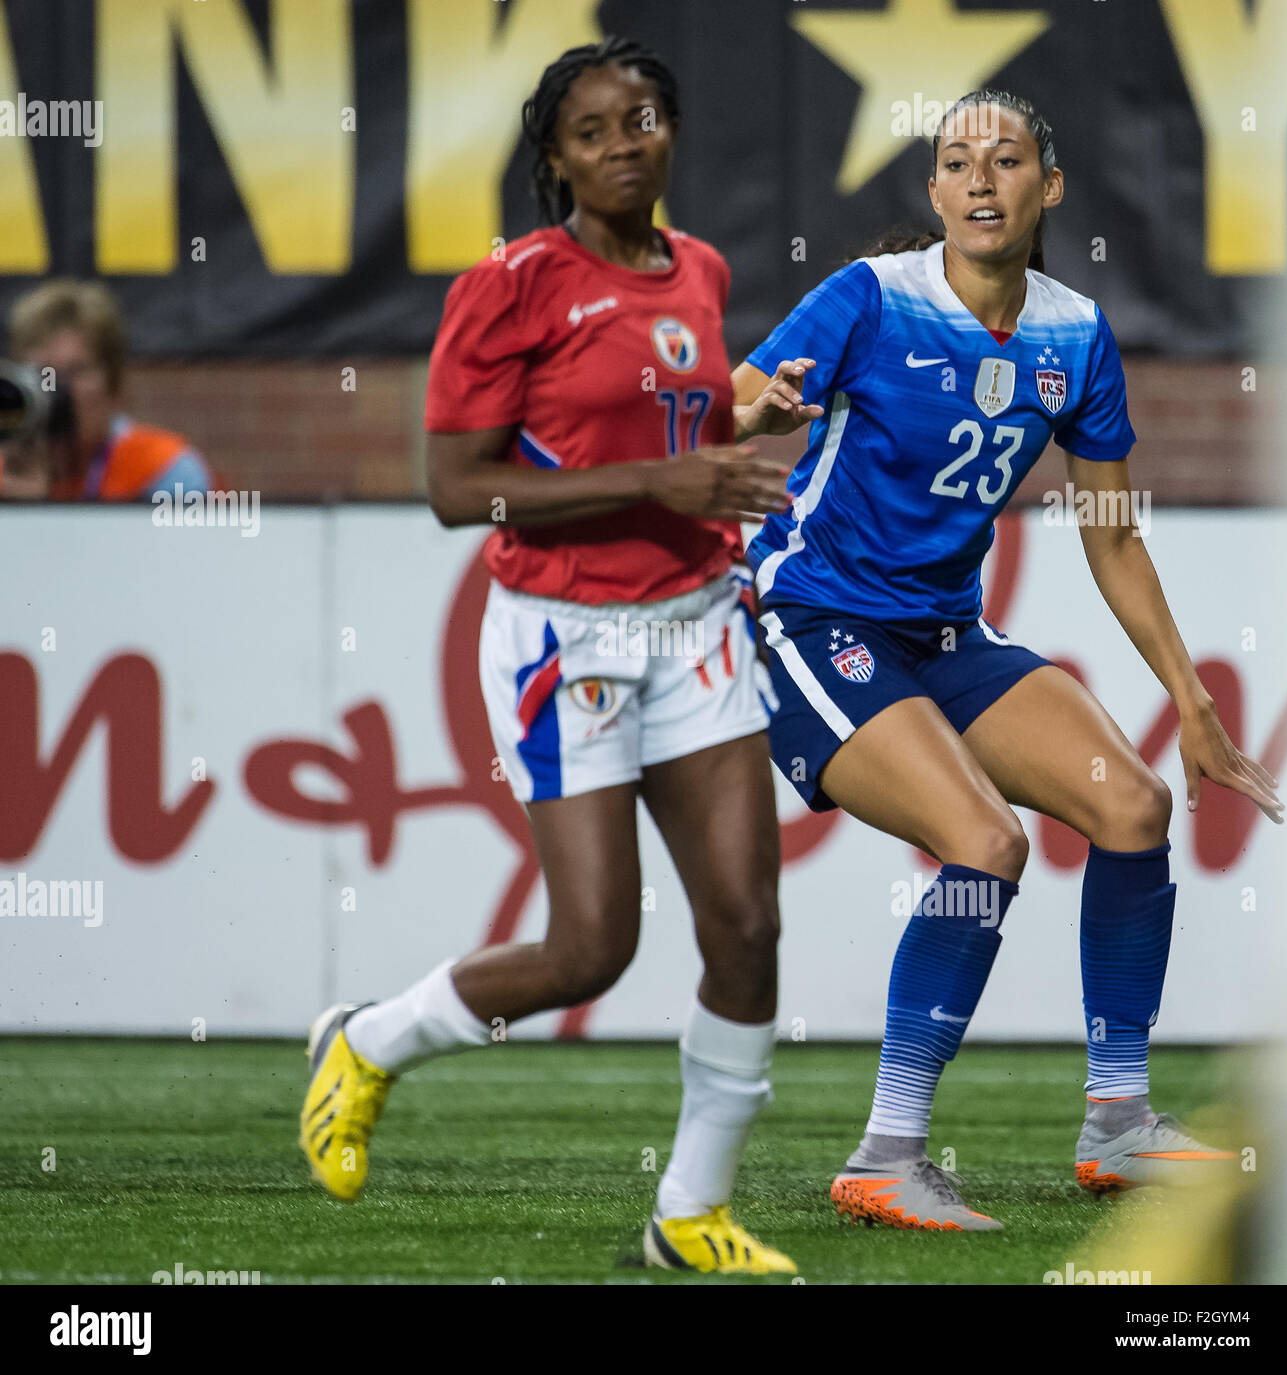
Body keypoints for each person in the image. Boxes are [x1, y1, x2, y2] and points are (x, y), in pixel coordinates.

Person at [731, 89, 1284, 1231]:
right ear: (932, 194)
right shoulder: (871, 300)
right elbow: (730, 401)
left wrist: (1188, 699)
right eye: (955, 161)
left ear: (1050, 185)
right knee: (986, 839)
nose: (980, 178)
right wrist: (758, 408)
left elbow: (1113, 532)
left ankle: (1118, 1125)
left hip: (942, 633)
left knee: (1130, 807)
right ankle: (886, 1152)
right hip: (810, 619)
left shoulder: (1073, 334)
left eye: (1007, 157)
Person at [298, 36, 806, 1275]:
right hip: (560, 634)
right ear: (554, 159)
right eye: (592, 131)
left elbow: (665, 420)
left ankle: (687, 1210)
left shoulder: (701, 269)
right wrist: (666, 476)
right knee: (591, 948)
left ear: (669, 129)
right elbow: (457, 490)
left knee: (745, 927)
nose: (623, 143)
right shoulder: (512, 285)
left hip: (695, 623)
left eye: (641, 118)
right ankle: (369, 1041)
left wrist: (748, 420)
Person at [7, 279, 211, 500]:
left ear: (113, 381)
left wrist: (40, 510)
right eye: (44, 373)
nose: (57, 389)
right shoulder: (5, 470)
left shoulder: (162, 468)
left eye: (74, 371)